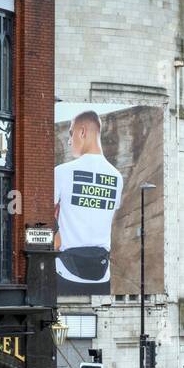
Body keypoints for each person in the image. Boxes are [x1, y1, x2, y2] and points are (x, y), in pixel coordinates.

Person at [53, 110, 122, 291]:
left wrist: (56, 234)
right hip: (102, 275)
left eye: (71, 133)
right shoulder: (117, 177)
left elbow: (42, 211)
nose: (69, 141)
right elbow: (110, 219)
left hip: (65, 273)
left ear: (82, 132)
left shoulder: (61, 172)